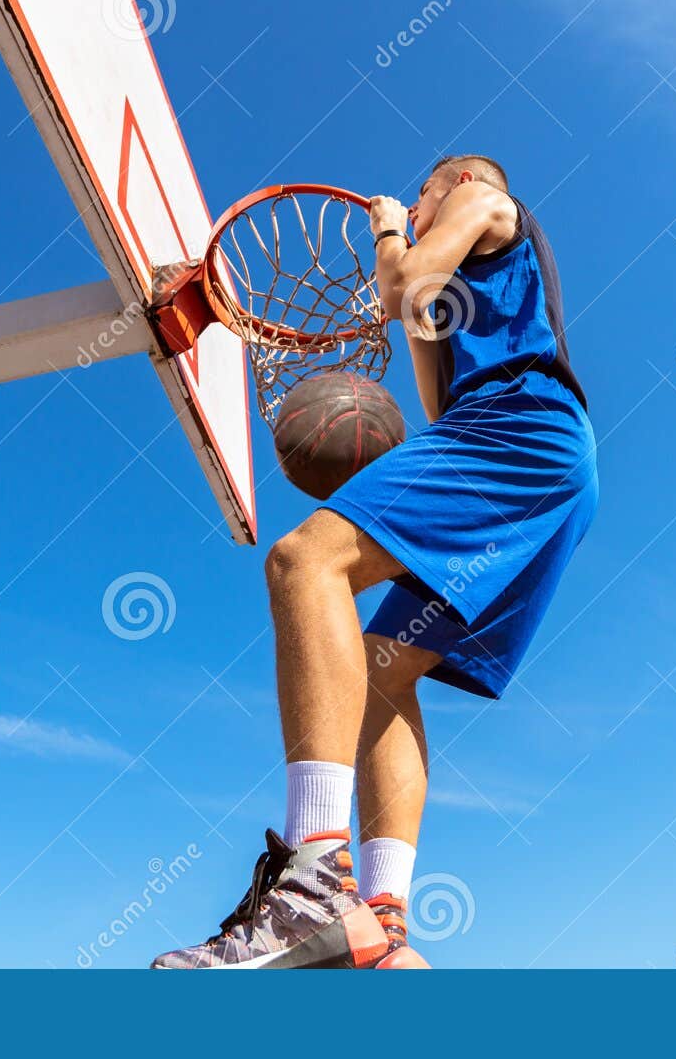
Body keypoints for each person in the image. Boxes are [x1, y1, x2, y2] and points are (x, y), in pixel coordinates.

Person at [151, 155, 598, 969]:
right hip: (532, 454)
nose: (418, 201)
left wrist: (394, 229)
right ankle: (383, 927)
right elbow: (433, 394)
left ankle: (313, 879)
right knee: (384, 670)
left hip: (519, 428)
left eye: (423, 190)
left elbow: (401, 286)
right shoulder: (462, 283)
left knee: (303, 561)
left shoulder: (483, 196)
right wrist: (412, 302)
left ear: (454, 180)